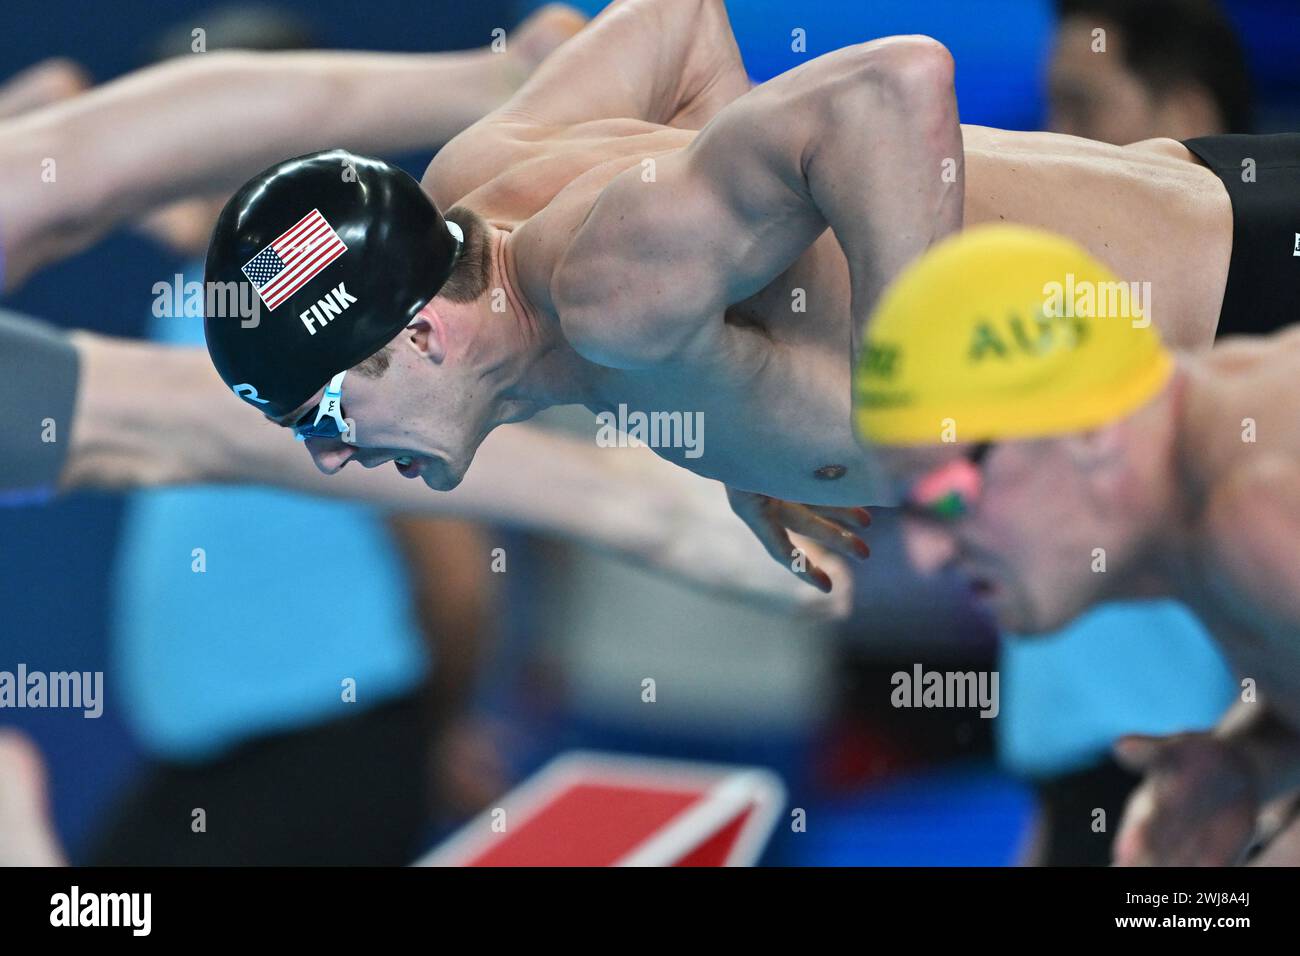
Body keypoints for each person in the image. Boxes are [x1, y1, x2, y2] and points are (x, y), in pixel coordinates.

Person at [203, 0, 1294, 580]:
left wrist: (926, 412)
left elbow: (891, 85)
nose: (333, 457)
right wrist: (732, 333)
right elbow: (675, 17)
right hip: (1223, 224)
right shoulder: (476, 183)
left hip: (1251, 290)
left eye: (328, 413)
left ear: (424, 331)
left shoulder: (606, 288)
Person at [853, 223, 1300, 866]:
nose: (928, 557)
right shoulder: (1201, 485)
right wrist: (1250, 762)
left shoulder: (1259, 504)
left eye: (947, 496)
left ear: (1091, 433)